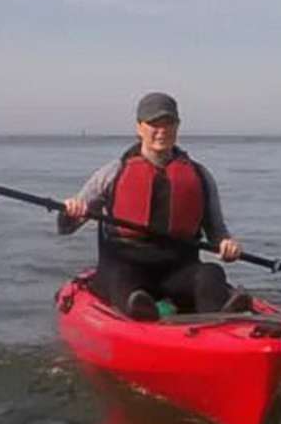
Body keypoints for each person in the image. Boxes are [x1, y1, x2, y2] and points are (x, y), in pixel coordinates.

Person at [60, 92, 249, 320]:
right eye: (154, 124)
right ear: (139, 128)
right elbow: (66, 227)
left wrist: (227, 246)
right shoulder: (112, 173)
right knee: (124, 282)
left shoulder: (200, 176)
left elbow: (217, 234)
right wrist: (71, 211)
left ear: (177, 126)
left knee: (211, 273)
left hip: (178, 271)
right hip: (127, 269)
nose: (162, 131)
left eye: (168, 123)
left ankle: (221, 320)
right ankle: (141, 311)